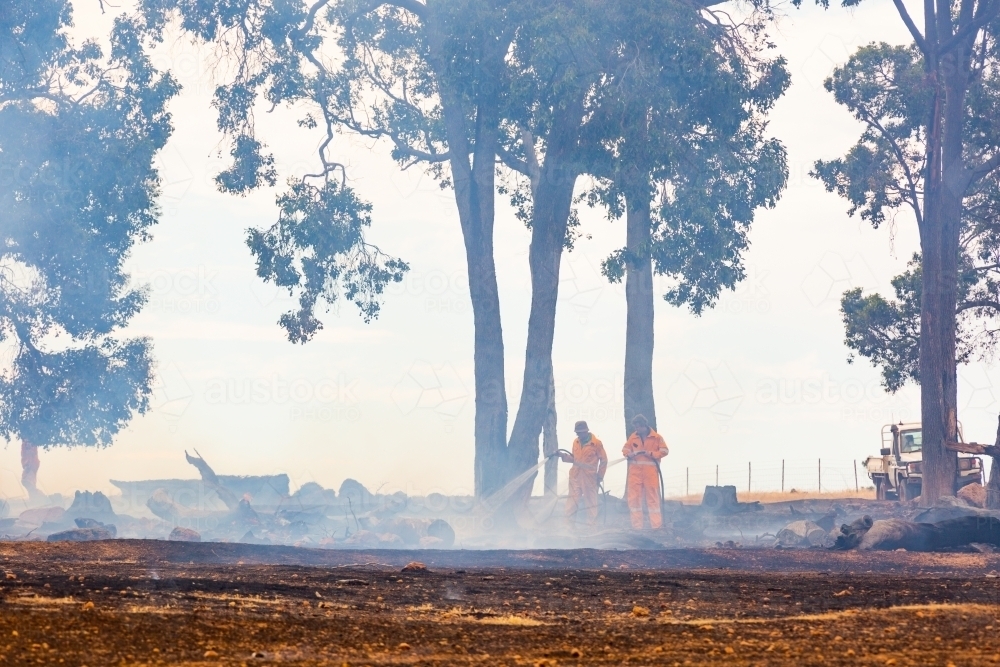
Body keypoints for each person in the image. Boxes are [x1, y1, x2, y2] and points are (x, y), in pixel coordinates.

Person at [622, 414, 668, 529]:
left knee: (653, 500)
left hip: (650, 474)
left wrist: (652, 454)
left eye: (638, 427)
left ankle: (656, 527)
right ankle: (637, 527)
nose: (637, 429)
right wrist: (629, 454)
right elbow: (625, 449)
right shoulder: (633, 437)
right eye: (635, 427)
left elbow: (665, 451)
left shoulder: (657, 438)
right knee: (634, 500)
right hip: (635, 474)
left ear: (644, 426)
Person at [559, 420, 608, 526]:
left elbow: (604, 460)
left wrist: (600, 476)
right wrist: (563, 456)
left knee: (591, 504)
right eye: (577, 433)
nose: (579, 435)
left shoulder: (596, 443)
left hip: (589, 478)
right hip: (575, 477)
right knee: (572, 502)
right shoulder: (575, 442)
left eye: (581, 432)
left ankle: (592, 528)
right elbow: (574, 458)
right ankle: (568, 528)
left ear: (586, 431)